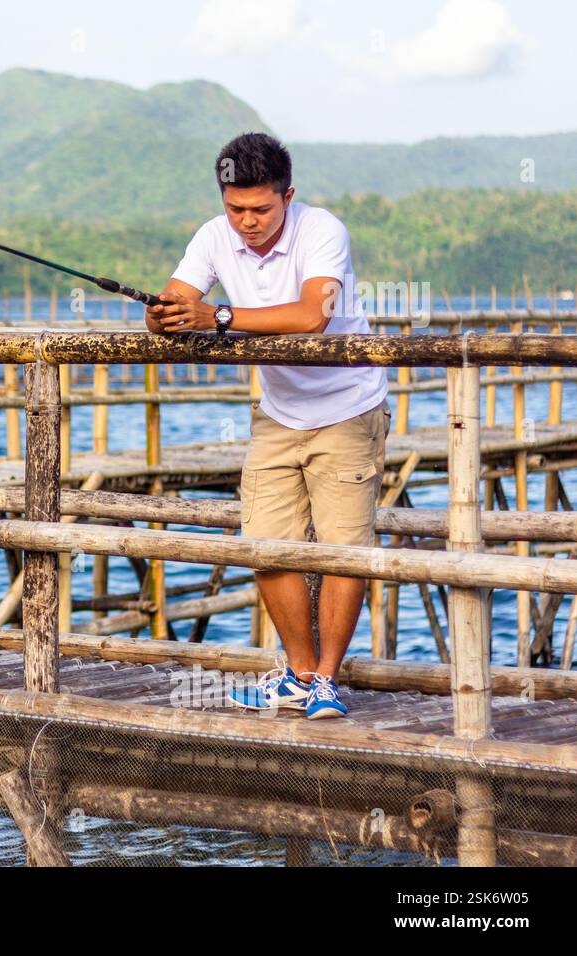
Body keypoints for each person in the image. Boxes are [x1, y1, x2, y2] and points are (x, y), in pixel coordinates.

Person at [147, 132, 389, 719]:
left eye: (261, 209)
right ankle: (301, 675)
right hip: (278, 413)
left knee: (343, 550)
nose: (247, 222)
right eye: (235, 209)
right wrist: (164, 313)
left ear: (289, 196)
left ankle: (328, 682)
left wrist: (217, 315)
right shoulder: (212, 236)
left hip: (348, 407)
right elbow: (176, 308)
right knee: (265, 546)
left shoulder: (322, 230)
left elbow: (314, 314)